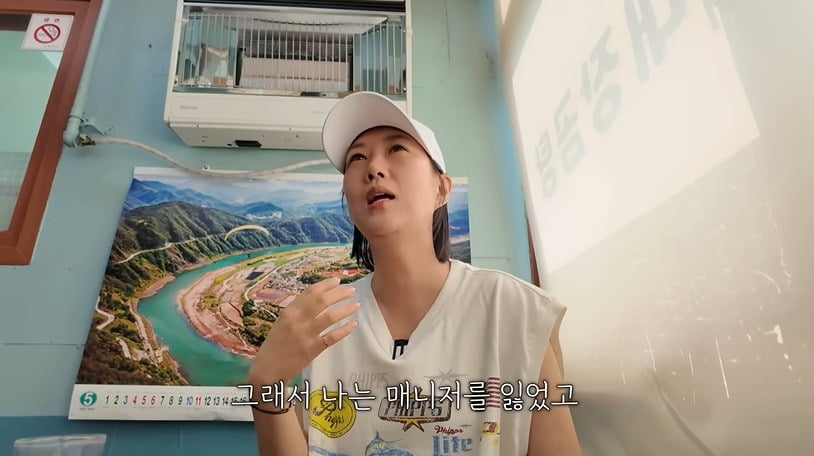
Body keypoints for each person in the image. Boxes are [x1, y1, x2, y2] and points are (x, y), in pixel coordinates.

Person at [248, 92, 581, 456]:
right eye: (357, 157)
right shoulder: (323, 321)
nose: (374, 168)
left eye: (396, 149)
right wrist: (267, 384)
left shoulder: (515, 310)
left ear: (442, 189)